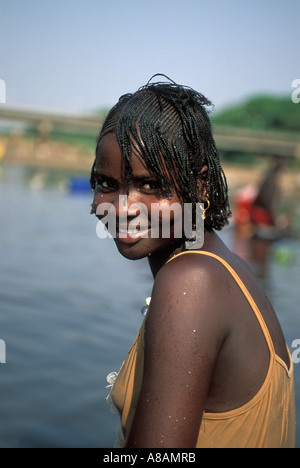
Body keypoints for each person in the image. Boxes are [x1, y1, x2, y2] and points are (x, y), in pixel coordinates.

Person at [90, 76, 295, 449]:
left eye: (150, 185)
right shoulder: (222, 266)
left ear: (199, 187)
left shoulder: (191, 281)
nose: (123, 208)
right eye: (106, 183)